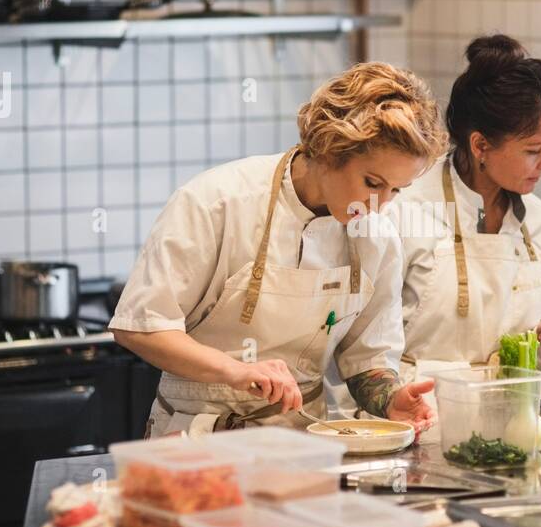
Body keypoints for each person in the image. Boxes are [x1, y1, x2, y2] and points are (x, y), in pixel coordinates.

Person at [109, 62, 448, 438]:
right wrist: (235, 371)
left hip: (302, 438)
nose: (380, 204)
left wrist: (390, 399)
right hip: (195, 435)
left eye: (396, 190)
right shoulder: (218, 202)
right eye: (372, 182)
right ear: (331, 148)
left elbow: (367, 358)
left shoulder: (377, 237)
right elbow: (142, 327)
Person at [392, 34, 541, 429]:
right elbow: (361, 354)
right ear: (480, 145)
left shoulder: (538, 224)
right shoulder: (405, 211)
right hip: (421, 429)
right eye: (532, 150)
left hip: (513, 431)